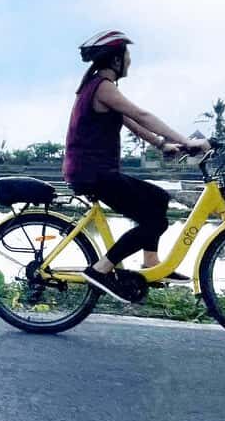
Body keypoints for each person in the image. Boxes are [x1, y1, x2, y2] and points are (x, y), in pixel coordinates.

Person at [62, 30, 209, 303]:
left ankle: (151, 264)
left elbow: (132, 122)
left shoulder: (98, 87)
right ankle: (100, 269)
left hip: (94, 171)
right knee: (155, 218)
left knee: (157, 199)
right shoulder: (103, 88)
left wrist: (162, 145)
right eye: (127, 56)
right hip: (94, 174)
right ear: (116, 59)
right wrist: (185, 140)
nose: (130, 61)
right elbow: (141, 114)